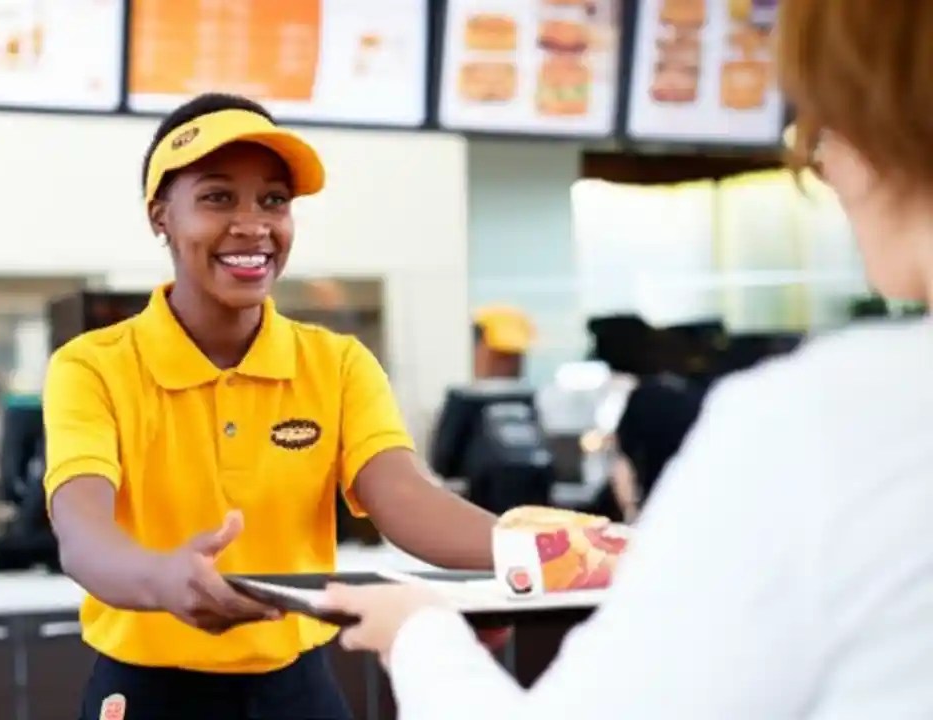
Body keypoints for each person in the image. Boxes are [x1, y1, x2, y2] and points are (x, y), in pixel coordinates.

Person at [320, 2, 933, 717]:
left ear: (883, 120)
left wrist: (416, 632)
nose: (816, 161)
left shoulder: (824, 422)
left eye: (821, 121)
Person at [43, 93, 498, 720]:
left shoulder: (337, 363)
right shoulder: (93, 366)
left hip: (297, 690)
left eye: (274, 200)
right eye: (217, 197)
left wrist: (544, 554)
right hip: (149, 693)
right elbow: (82, 532)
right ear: (161, 218)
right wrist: (164, 578)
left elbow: (405, 500)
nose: (253, 224)